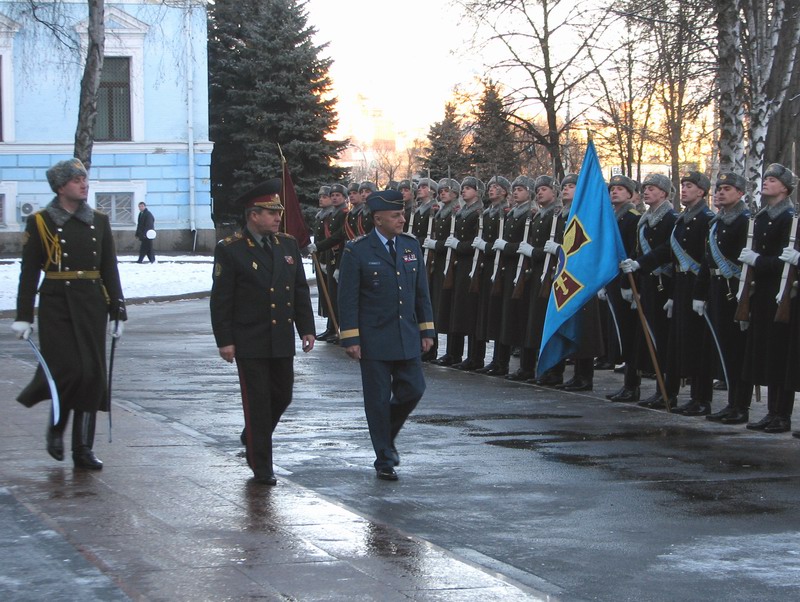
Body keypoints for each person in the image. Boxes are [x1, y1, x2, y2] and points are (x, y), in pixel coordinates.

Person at [13, 158, 126, 470]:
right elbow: (29, 272)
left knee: (91, 373)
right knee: (67, 370)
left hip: (91, 302)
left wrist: (118, 310)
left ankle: (83, 448)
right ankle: (56, 428)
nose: (84, 184)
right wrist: (24, 315)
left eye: (85, 179)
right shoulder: (41, 222)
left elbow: (109, 268)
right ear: (61, 186)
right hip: (56, 302)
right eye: (77, 180)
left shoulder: (99, 221)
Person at [210, 179, 315, 485]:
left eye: (278, 212)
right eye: (270, 212)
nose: (277, 217)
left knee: (283, 395)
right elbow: (222, 299)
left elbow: (298, 290)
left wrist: (306, 328)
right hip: (250, 339)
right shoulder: (231, 250)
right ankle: (261, 465)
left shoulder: (287, 245)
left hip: (280, 337)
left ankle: (252, 434)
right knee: (257, 402)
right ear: (253, 215)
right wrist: (225, 341)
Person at [338, 189, 435, 481]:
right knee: (378, 400)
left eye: (402, 214)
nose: (402, 219)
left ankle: (384, 432)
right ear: (378, 219)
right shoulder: (358, 250)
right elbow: (348, 298)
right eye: (396, 215)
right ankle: (384, 457)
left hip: (406, 335)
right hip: (374, 339)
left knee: (414, 389)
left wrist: (426, 329)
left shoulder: (410, 246)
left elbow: (421, 292)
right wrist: (352, 338)